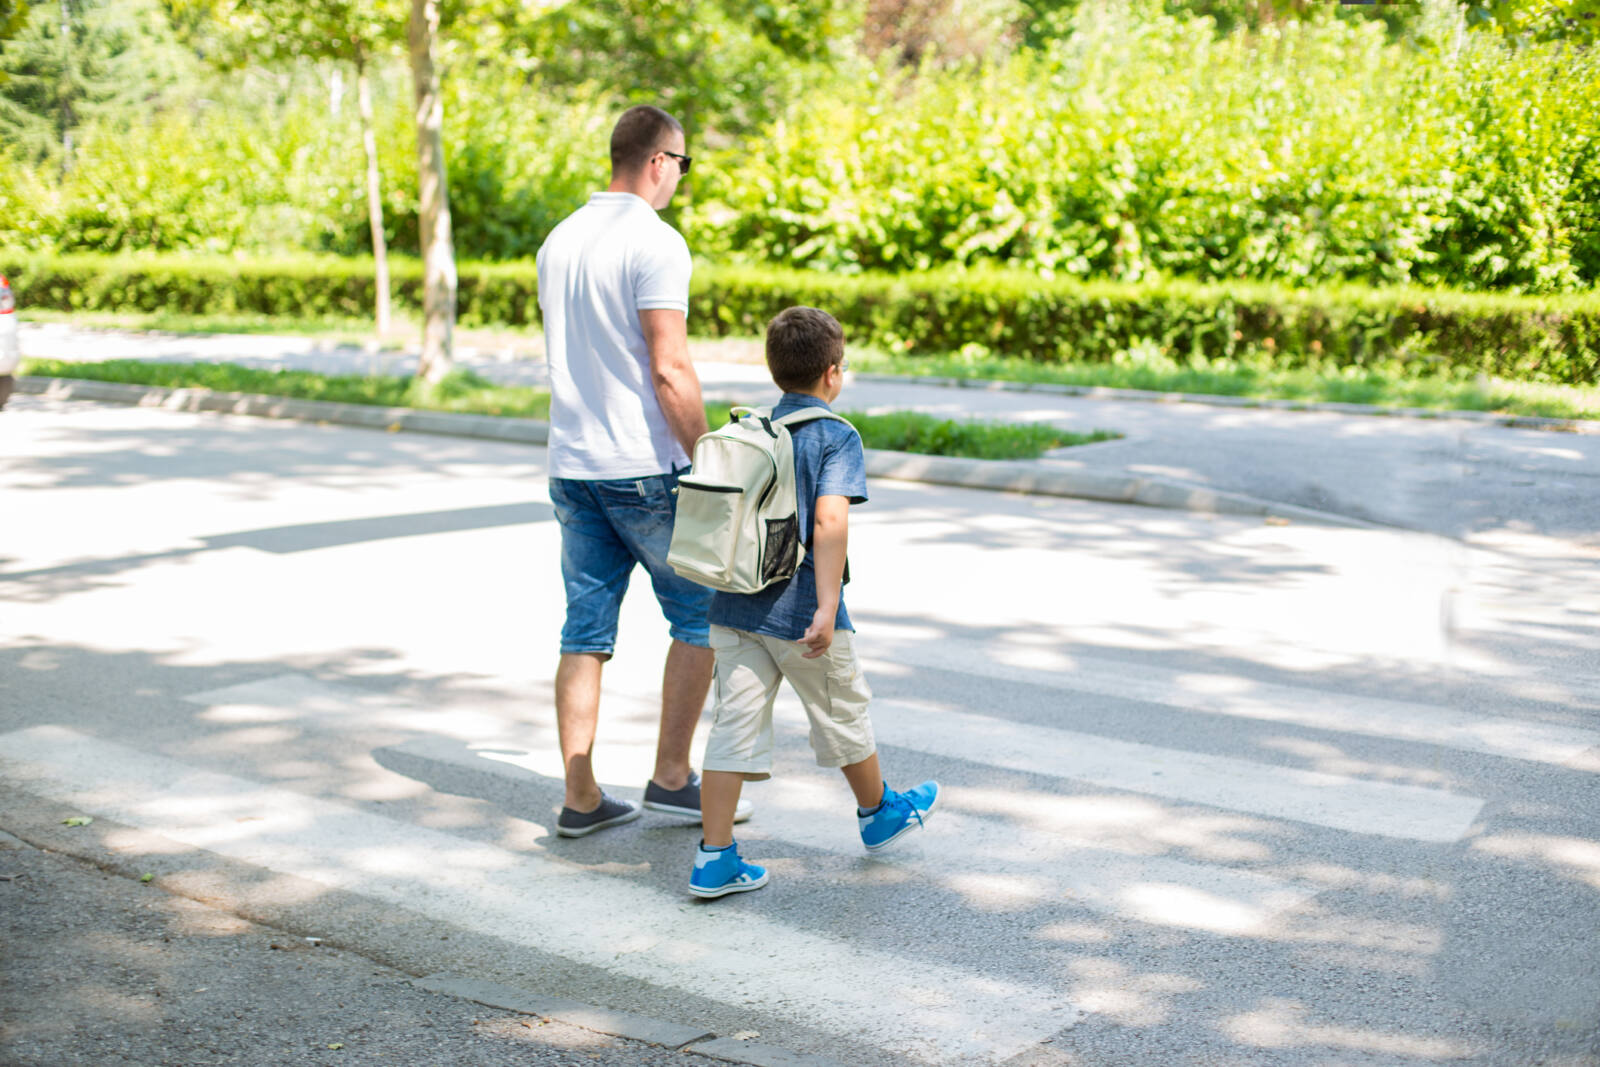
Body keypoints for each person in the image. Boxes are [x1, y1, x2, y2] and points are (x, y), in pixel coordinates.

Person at [537, 105, 749, 838]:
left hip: (573, 463)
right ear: (659, 161)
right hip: (643, 469)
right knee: (702, 617)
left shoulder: (560, 239)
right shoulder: (655, 243)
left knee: (584, 630)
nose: (680, 179)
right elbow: (669, 367)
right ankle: (669, 777)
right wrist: (712, 456)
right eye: (683, 165)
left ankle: (581, 794)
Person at [688, 306, 939, 899]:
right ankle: (878, 814)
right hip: (801, 609)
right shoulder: (834, 435)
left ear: (775, 371)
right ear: (832, 374)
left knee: (732, 727)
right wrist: (826, 607)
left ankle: (714, 856)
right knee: (842, 708)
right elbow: (829, 522)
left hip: (733, 606)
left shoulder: (748, 428)